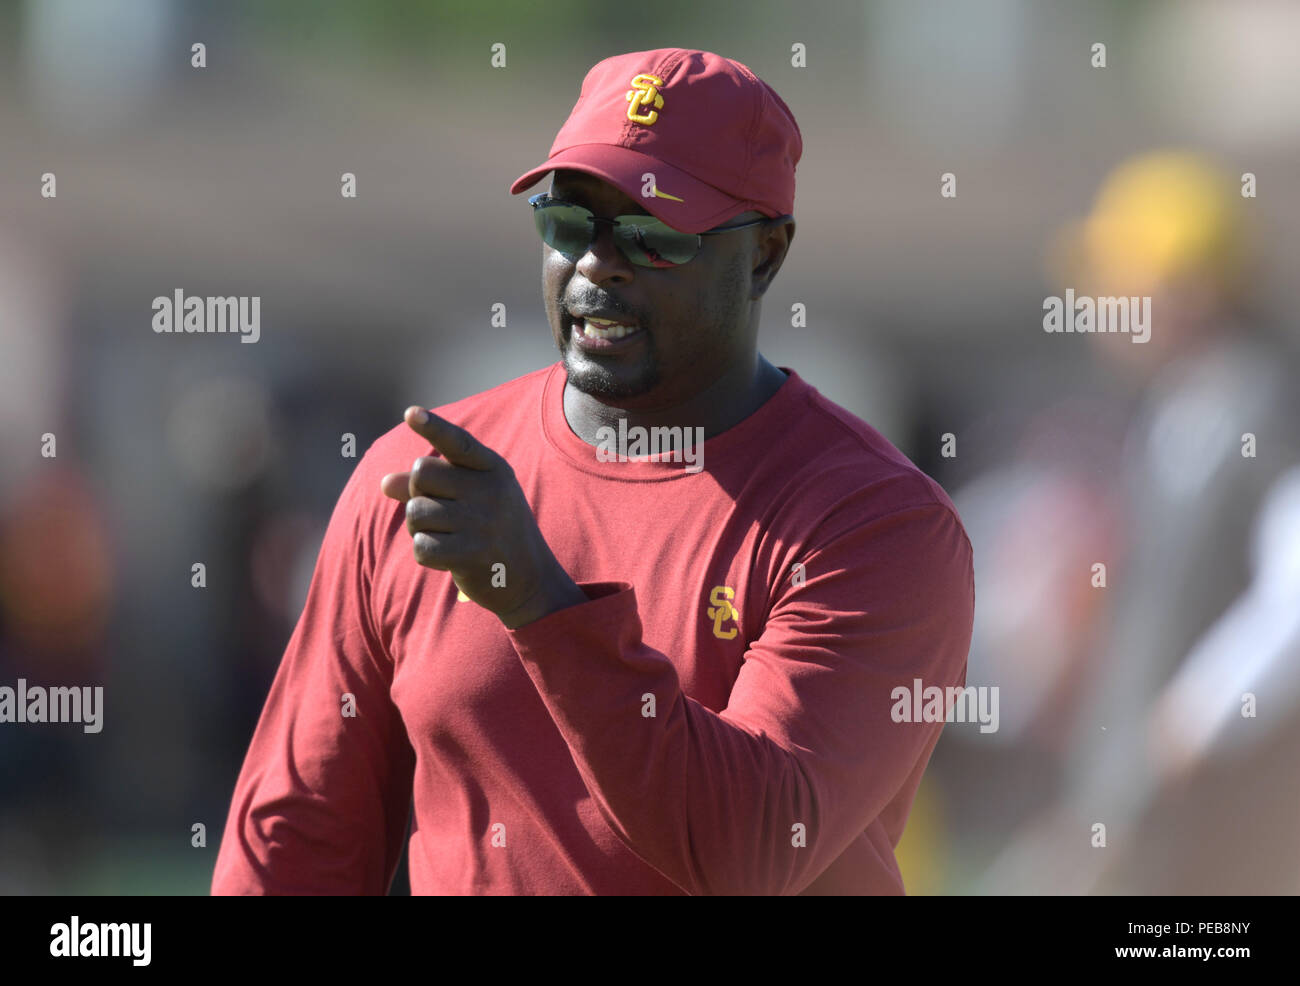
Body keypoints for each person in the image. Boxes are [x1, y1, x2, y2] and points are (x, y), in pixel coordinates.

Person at [211, 47, 974, 896]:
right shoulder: (420, 479)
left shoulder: (874, 522)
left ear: (764, 256)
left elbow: (749, 847)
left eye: (654, 236)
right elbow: (298, 838)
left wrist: (543, 605)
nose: (598, 263)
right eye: (569, 223)